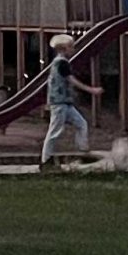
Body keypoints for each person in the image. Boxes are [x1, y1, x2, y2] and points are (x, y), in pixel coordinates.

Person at [40, 33, 99, 164]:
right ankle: (46, 159)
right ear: (62, 49)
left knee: (81, 124)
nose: (73, 50)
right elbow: (72, 80)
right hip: (59, 103)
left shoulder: (61, 63)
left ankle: (83, 150)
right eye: (70, 47)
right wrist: (91, 90)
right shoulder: (61, 64)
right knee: (54, 131)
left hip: (66, 103)